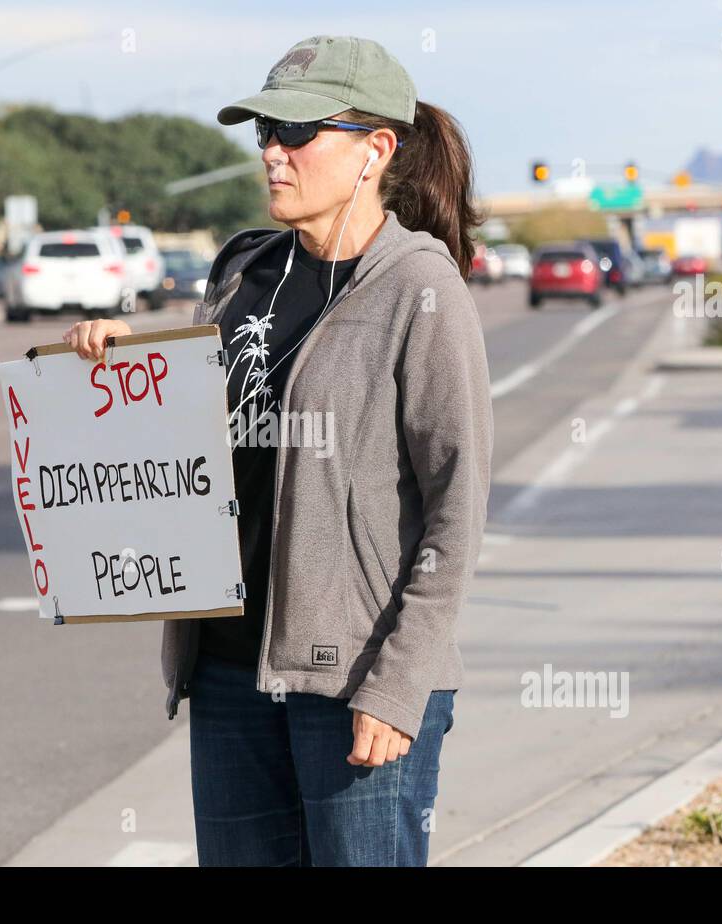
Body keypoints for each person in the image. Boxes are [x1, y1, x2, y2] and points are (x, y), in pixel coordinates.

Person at [65, 35, 492, 867]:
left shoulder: (420, 289)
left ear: (377, 149)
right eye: (264, 130)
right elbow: (196, 414)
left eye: (297, 133)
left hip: (354, 680)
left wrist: (400, 684)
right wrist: (128, 356)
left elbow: (457, 504)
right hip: (228, 668)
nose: (272, 151)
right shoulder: (242, 269)